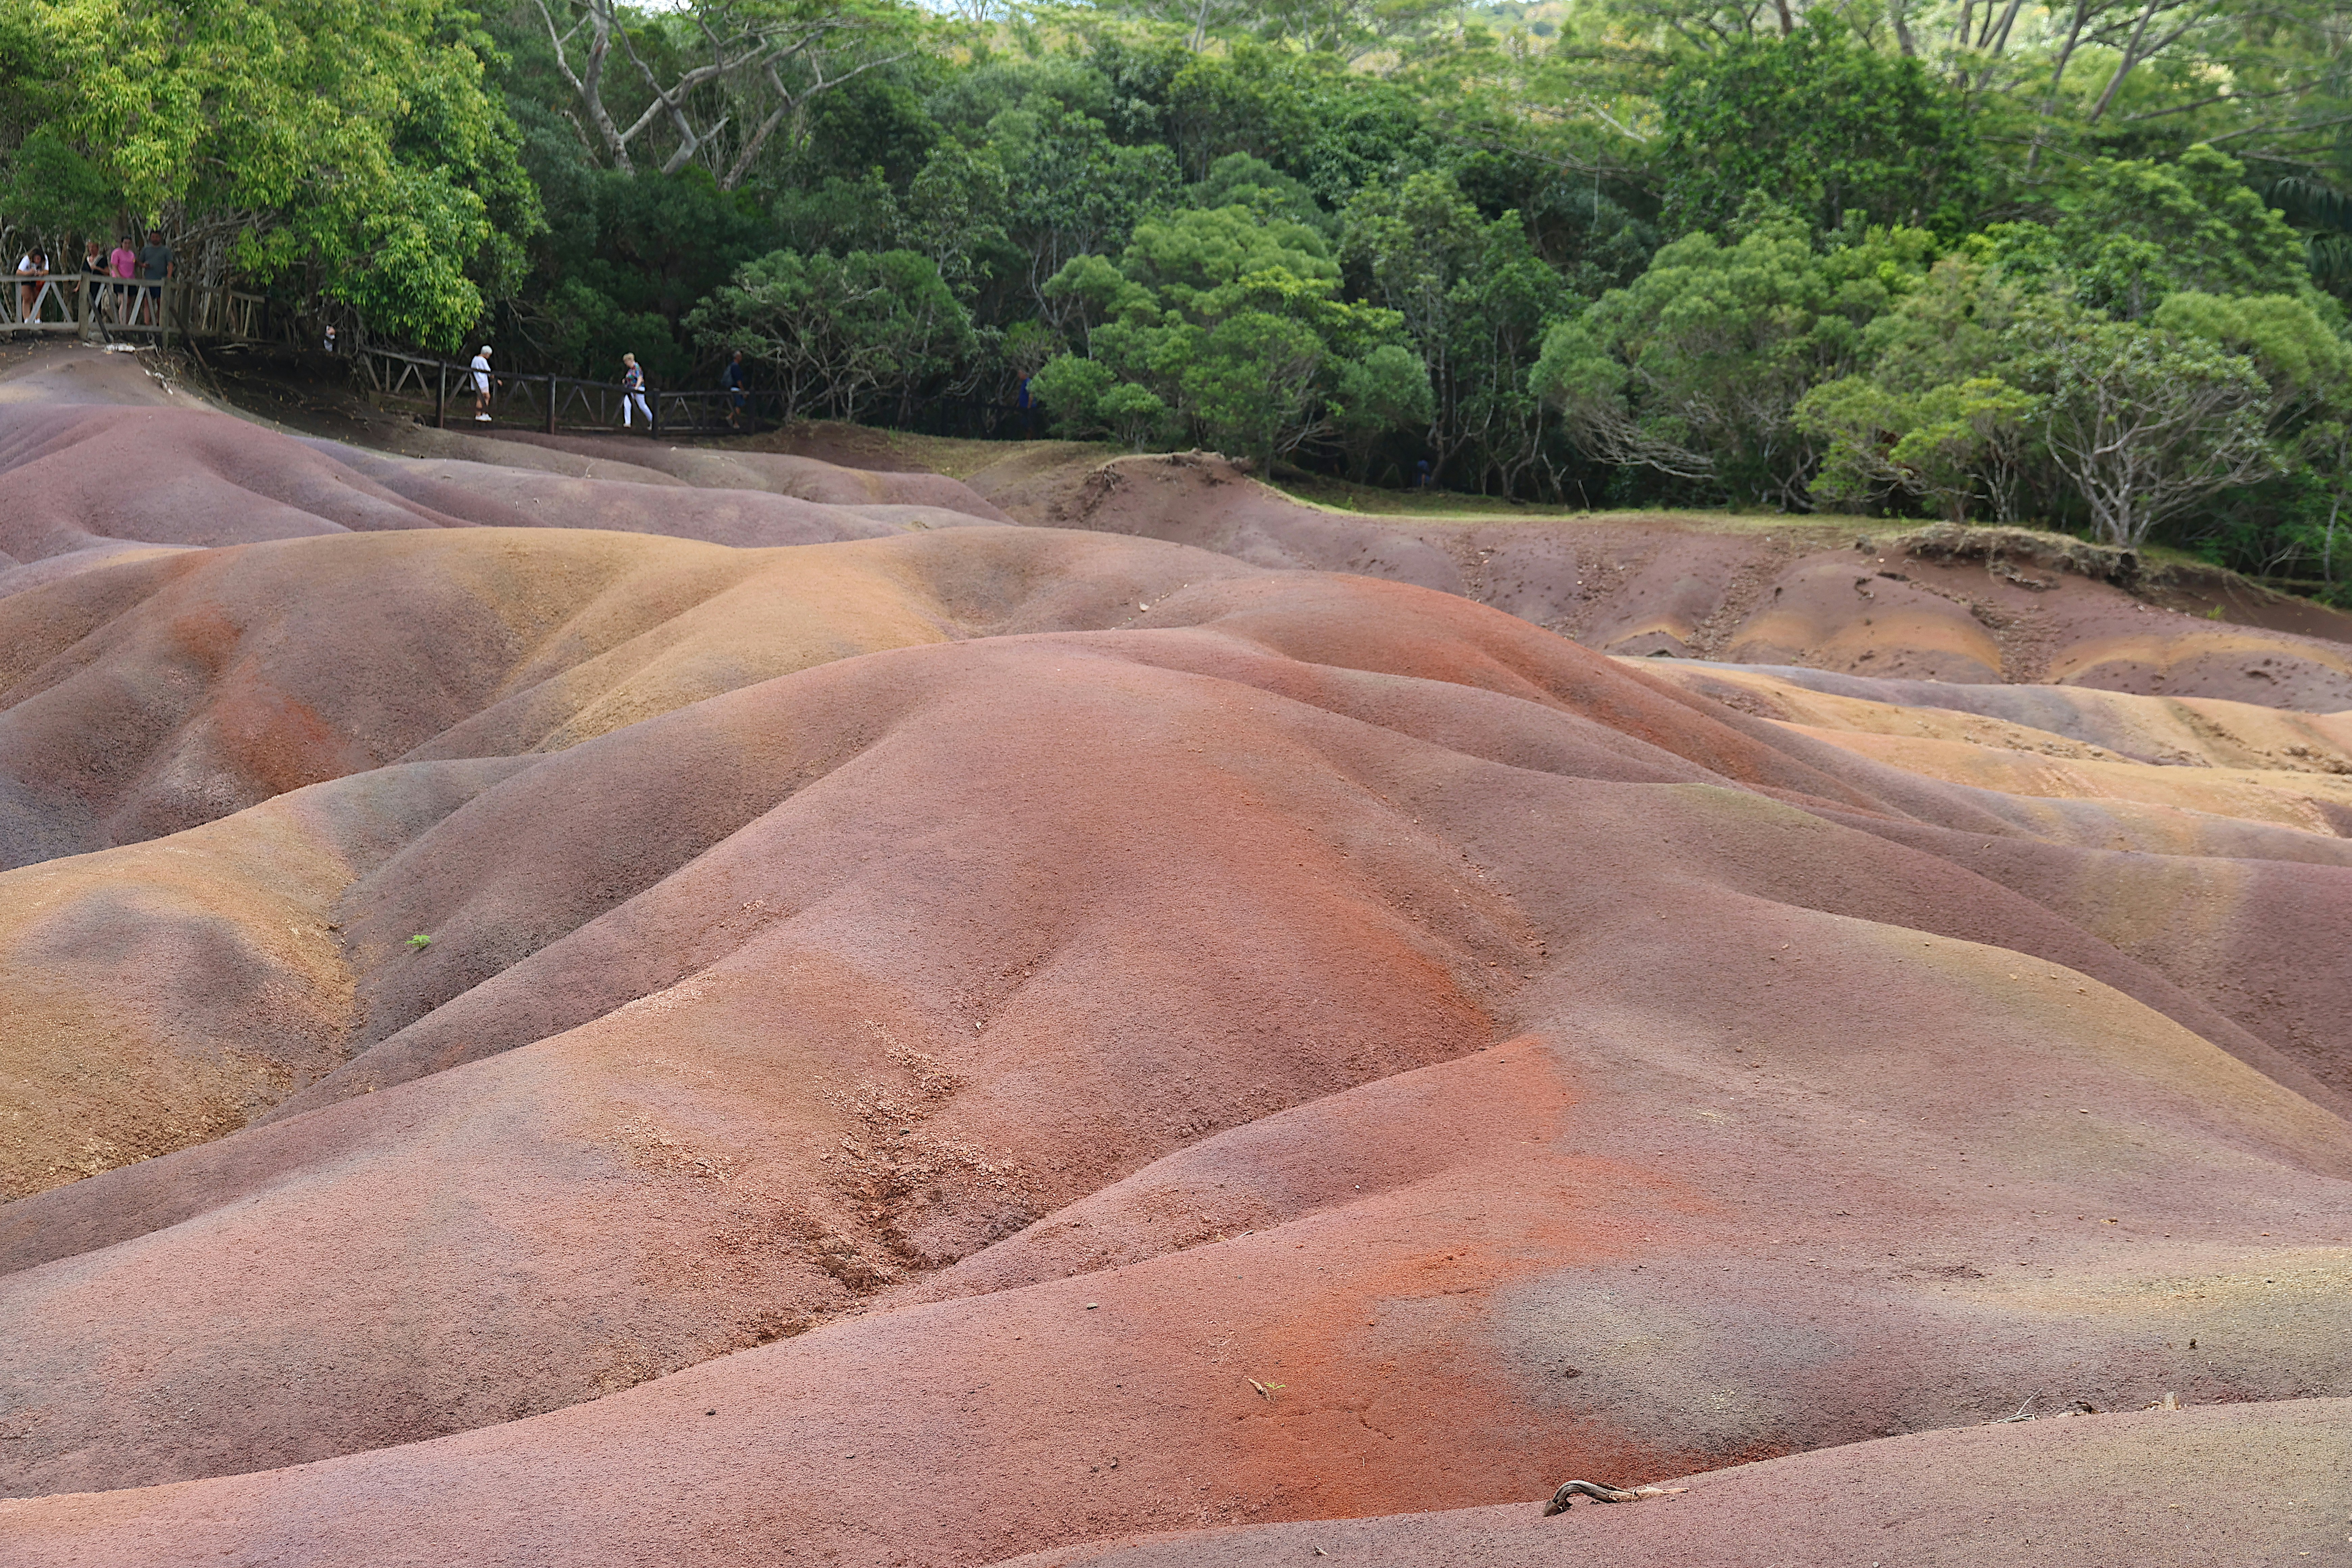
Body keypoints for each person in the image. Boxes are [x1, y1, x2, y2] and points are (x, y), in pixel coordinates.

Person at [136, 230, 172, 326]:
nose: (155, 239)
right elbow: (139, 262)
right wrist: (144, 265)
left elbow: (170, 264)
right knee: (147, 302)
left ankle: (159, 322)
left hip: (161, 280)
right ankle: (147, 323)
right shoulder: (146, 249)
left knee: (161, 302)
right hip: (149, 280)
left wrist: (168, 279)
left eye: (157, 237)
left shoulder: (166, 250)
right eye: (153, 237)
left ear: (160, 238)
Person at [108, 236, 137, 325]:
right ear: (122, 243)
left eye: (129, 243)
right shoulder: (116, 253)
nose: (127, 245)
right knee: (125, 301)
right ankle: (122, 323)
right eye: (125, 243)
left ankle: (127, 322)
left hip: (130, 279)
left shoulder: (132, 254)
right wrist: (119, 277)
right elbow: (114, 266)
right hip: (120, 280)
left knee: (130, 302)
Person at [15, 249, 49, 323]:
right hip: (26, 278)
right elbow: (18, 272)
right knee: (27, 298)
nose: (37, 261)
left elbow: (47, 271)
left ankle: (37, 320)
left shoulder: (45, 259)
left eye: (39, 259)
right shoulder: (27, 259)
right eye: (35, 259)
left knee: (37, 299)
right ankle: (27, 320)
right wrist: (28, 273)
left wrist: (41, 273)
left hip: (37, 279)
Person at [620, 352, 652, 430]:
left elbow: (640, 379)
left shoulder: (637, 368)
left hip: (638, 389)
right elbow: (631, 379)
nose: (626, 364)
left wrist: (636, 389)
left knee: (642, 406)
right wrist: (625, 381)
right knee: (627, 403)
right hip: (630, 389)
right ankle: (628, 423)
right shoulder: (631, 370)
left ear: (630, 360)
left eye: (626, 362)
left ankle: (653, 421)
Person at [722, 349, 746, 429]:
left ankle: (733, 420)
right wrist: (743, 391)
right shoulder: (736, 367)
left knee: (738, 406)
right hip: (736, 389)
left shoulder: (732, 366)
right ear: (737, 357)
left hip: (733, 388)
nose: (741, 359)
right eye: (741, 357)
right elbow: (739, 381)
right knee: (739, 405)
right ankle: (735, 422)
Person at [471, 344, 494, 421]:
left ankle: (484, 413)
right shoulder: (483, 360)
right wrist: (495, 379)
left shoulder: (475, 359)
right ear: (487, 354)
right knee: (482, 398)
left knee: (486, 397)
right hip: (482, 381)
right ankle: (479, 415)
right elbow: (488, 371)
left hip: (476, 381)